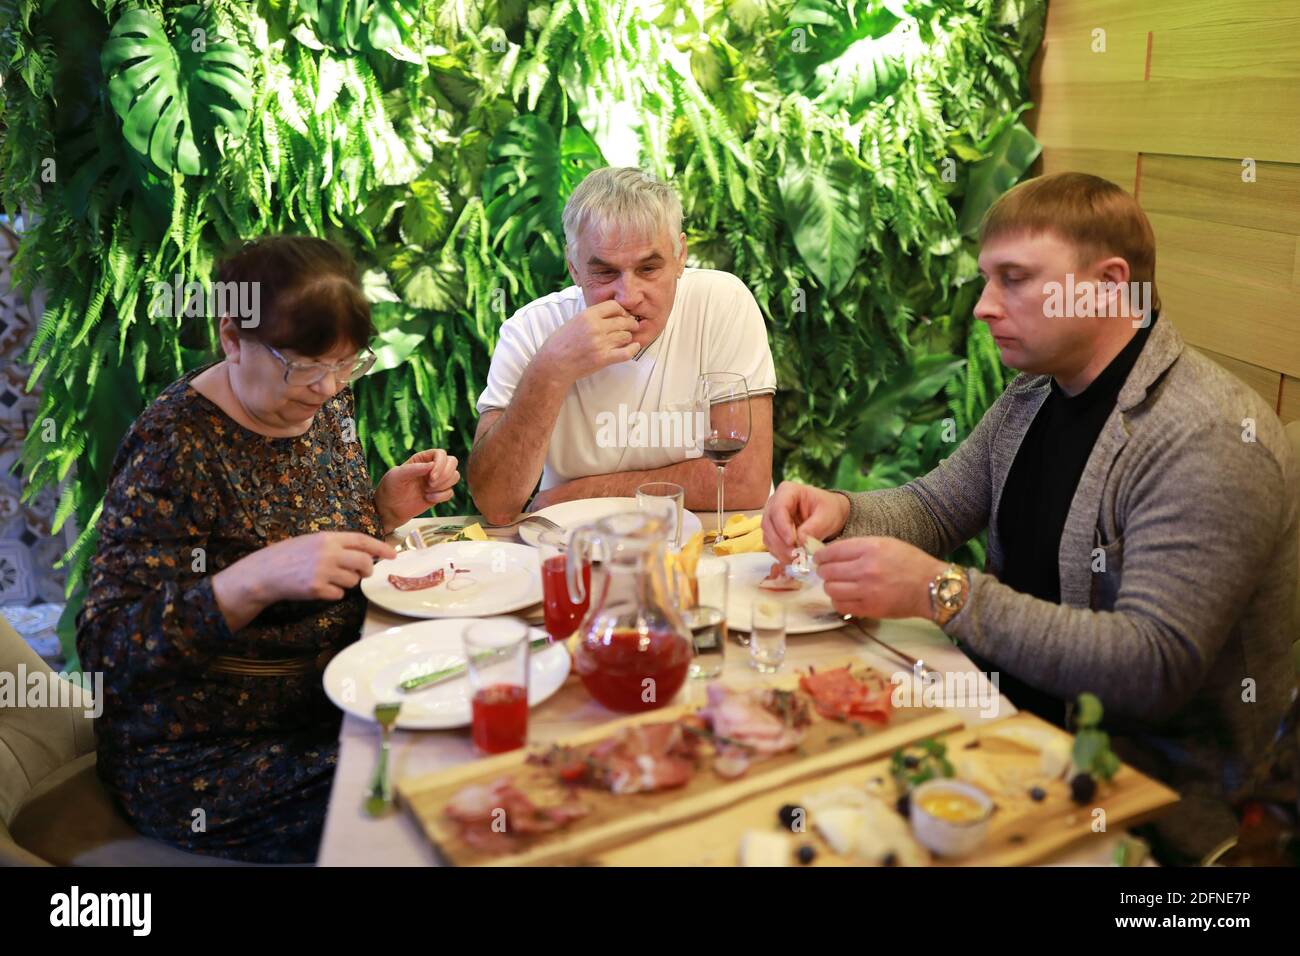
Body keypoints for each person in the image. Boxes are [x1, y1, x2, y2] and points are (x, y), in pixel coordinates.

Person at [762, 172, 1298, 864]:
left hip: (1143, 803)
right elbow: (934, 507)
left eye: (1013, 279)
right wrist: (842, 509)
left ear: (1107, 283)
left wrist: (942, 592)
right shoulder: (1034, 394)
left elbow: (1154, 664)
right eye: (988, 279)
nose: (985, 307)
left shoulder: (1209, 435)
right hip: (1002, 729)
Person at [78, 236, 460, 863]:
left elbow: (311, 530)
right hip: (212, 754)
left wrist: (384, 508)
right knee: (431, 794)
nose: (328, 388)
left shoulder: (320, 396)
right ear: (232, 336)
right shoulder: (175, 447)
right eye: (305, 367)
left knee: (486, 721)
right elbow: (107, 648)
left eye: (346, 365)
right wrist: (250, 582)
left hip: (335, 699)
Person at [467, 167, 776, 524]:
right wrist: (551, 369)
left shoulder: (722, 303)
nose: (628, 297)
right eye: (605, 272)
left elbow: (743, 482)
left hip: (714, 547)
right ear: (573, 267)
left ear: (680, 257)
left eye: (648, 269)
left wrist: (577, 494)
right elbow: (495, 503)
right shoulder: (530, 330)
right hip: (579, 552)